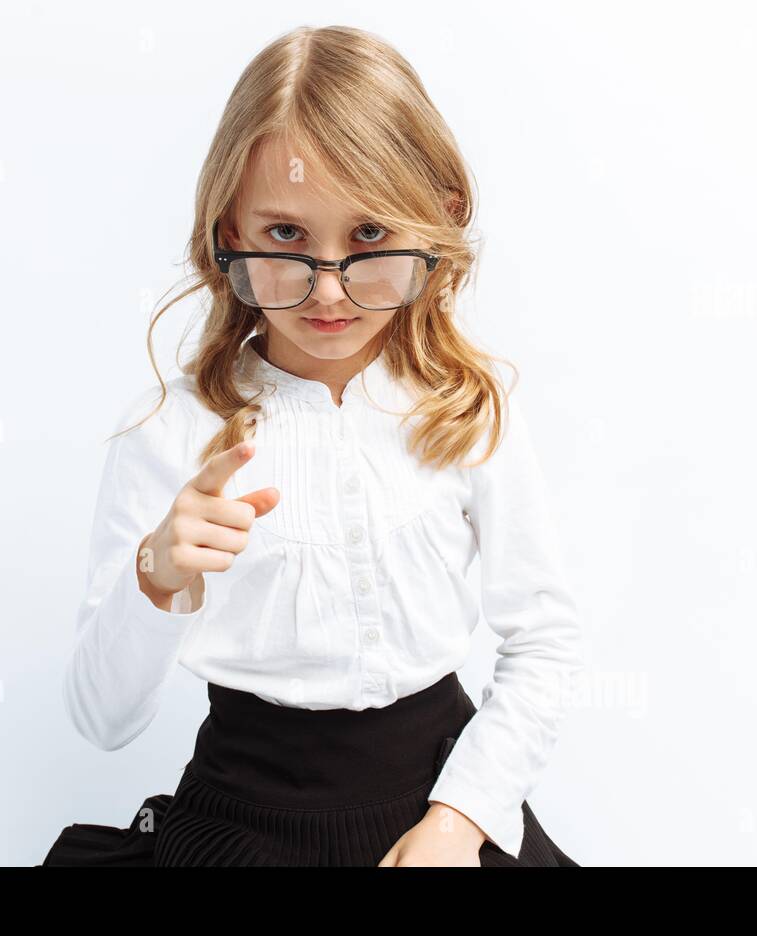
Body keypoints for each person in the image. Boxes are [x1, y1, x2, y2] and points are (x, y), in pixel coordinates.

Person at [42, 25, 585, 867]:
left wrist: (460, 819)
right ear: (228, 228)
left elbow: (543, 639)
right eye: (288, 238)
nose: (328, 290)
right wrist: (159, 576)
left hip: (442, 808)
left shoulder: (466, 411)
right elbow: (101, 718)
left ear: (436, 222)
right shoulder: (171, 432)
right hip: (242, 826)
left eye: (368, 237)